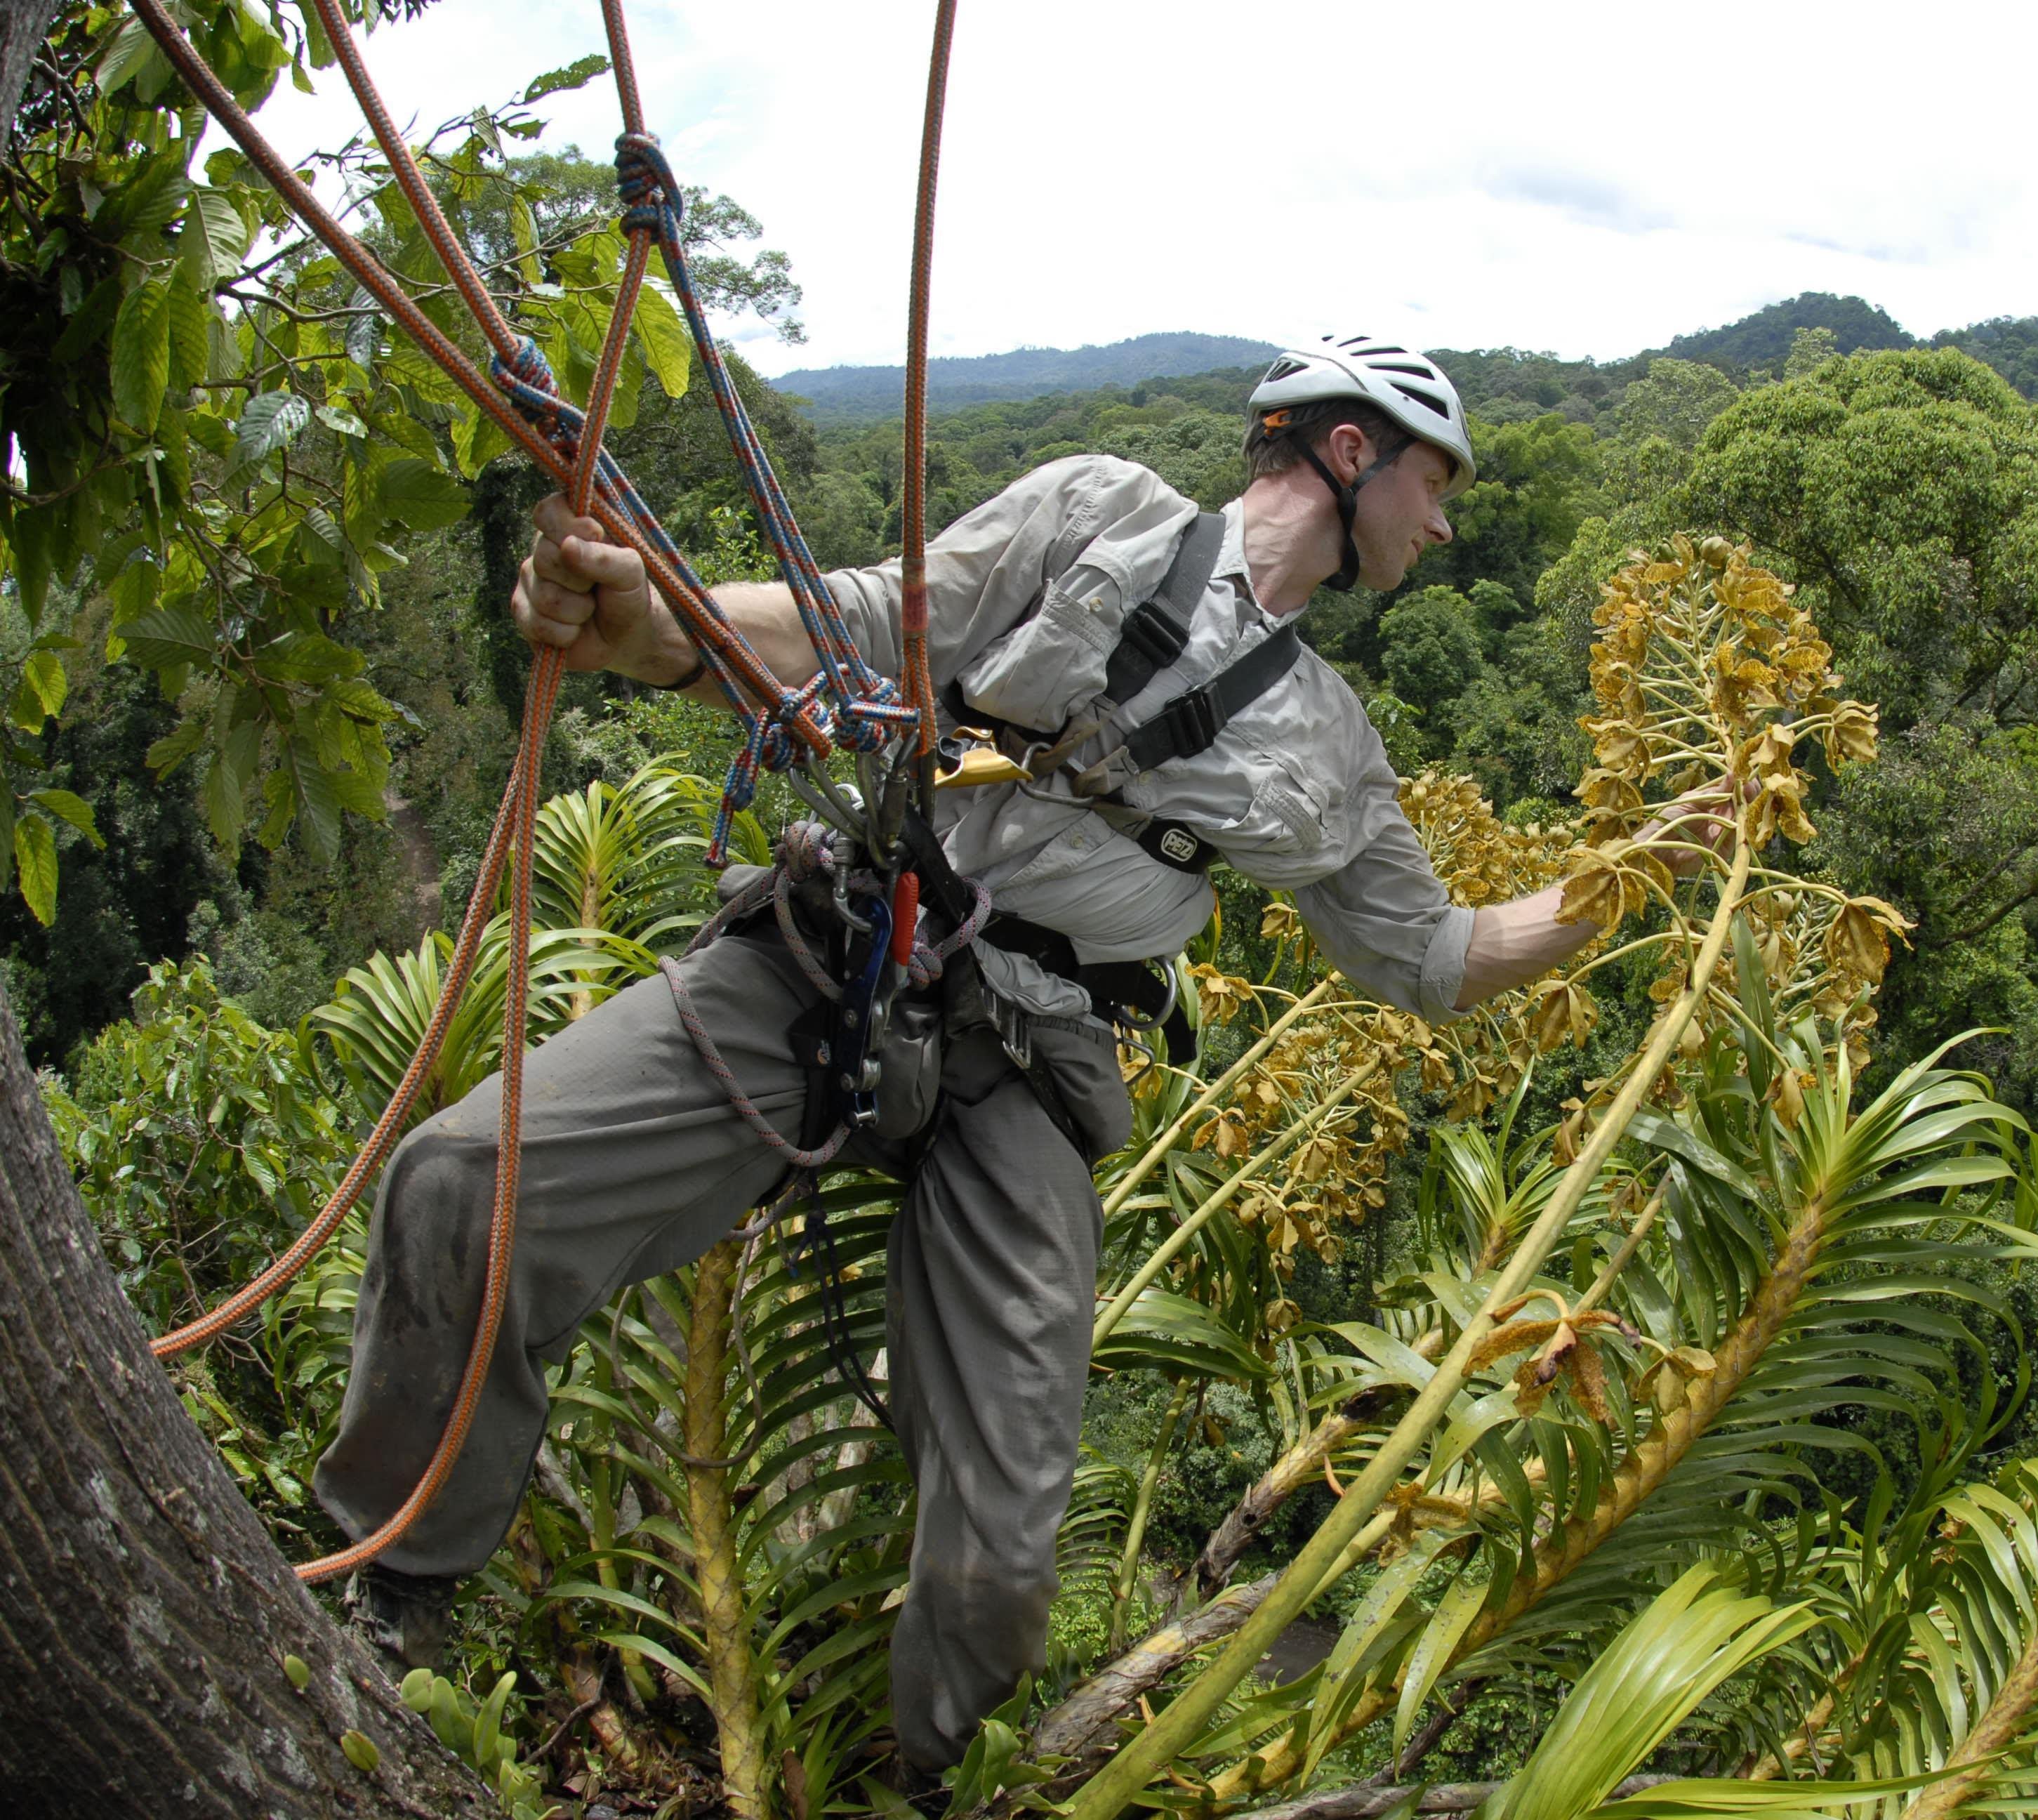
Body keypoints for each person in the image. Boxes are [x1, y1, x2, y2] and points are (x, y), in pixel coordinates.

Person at [313, 337, 1650, 1772]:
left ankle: (899, 1779)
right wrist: (646, 622)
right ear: (1347, 452)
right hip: (846, 947)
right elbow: (862, 627)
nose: (1443, 524)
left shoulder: (1333, 744)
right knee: (464, 1181)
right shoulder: (1103, 516)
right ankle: (395, 1592)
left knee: (1002, 1576)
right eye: (1433, 482)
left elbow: (1433, 960)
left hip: (1029, 1057)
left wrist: (1622, 879)